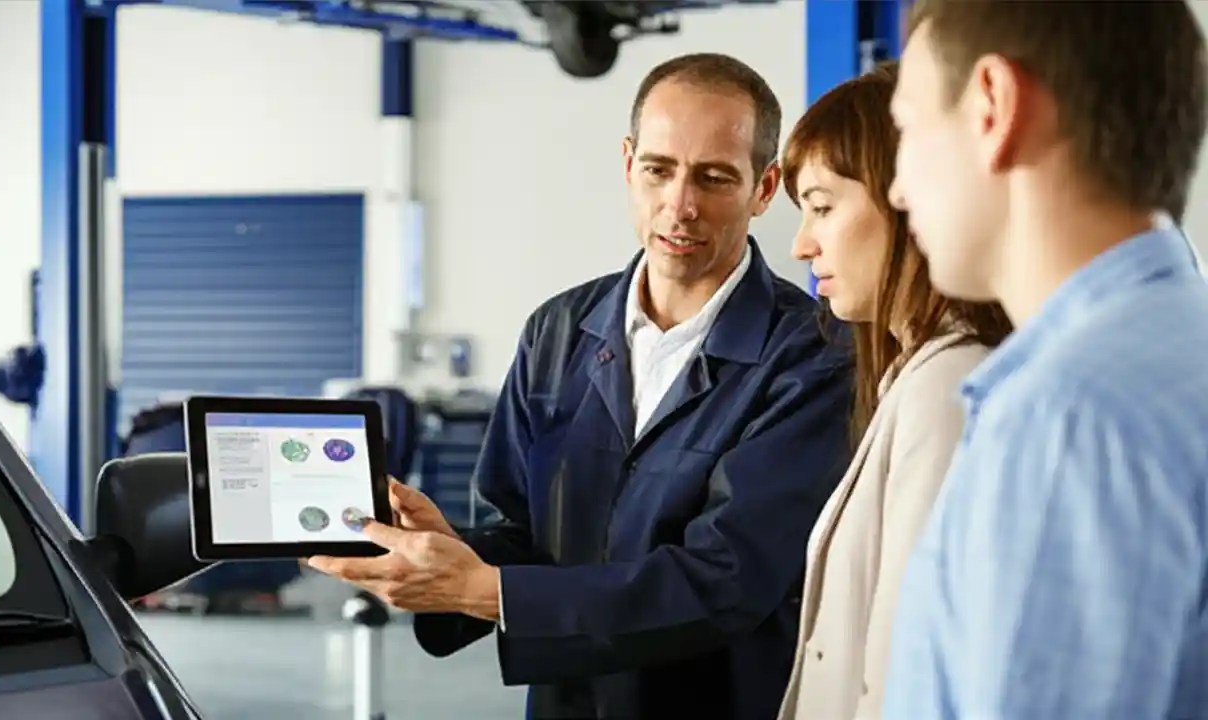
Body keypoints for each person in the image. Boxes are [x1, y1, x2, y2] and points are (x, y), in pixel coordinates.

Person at [306, 53, 854, 719]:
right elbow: (522, 531)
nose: (679, 206)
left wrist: (487, 591)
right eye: (658, 169)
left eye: (713, 178)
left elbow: (726, 579)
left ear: (764, 189)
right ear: (628, 163)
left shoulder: (814, 358)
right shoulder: (557, 331)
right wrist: (447, 553)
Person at [882, 2, 1208, 718]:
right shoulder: (1181, 349)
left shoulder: (1070, 416)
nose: (898, 188)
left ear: (993, 107)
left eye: (906, 127)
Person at [774, 63, 1012, 720]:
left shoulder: (947, 387)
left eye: (822, 207)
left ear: (910, 194)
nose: (800, 245)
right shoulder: (919, 374)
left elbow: (905, 677)